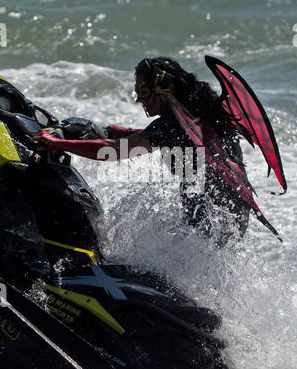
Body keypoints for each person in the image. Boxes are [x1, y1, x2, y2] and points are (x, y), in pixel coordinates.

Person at [32, 57, 252, 243]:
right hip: (233, 216)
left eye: (144, 91)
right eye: (137, 91)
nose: (139, 100)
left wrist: (56, 143)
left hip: (210, 219)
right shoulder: (203, 112)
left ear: (168, 87)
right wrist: (122, 131)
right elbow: (170, 138)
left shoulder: (172, 122)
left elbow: (115, 151)